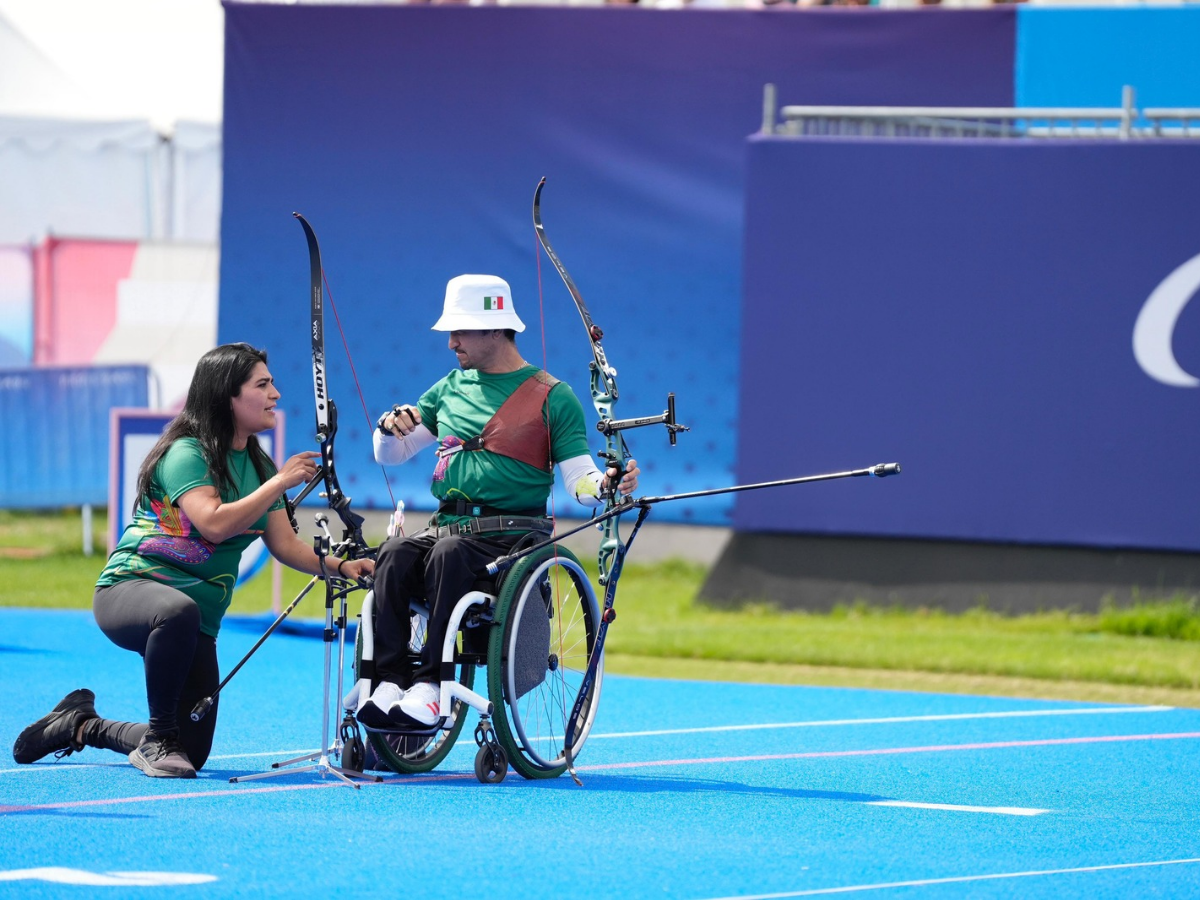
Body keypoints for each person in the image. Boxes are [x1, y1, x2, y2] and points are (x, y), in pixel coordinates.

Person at [11, 343, 374, 778]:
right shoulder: (188, 453)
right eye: (263, 384)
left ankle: (83, 725)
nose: (276, 394)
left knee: (193, 753)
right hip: (129, 591)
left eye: (272, 383)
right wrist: (279, 483)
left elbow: (285, 545)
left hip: (193, 621)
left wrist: (341, 566)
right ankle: (158, 739)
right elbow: (214, 524)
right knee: (177, 618)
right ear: (227, 397)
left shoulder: (258, 465)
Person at [359, 274, 638, 728]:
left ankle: (432, 688)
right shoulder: (449, 388)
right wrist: (389, 428)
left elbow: (580, 479)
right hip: (446, 530)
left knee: (449, 553)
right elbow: (390, 456)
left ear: (495, 330)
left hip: (508, 541)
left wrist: (607, 485)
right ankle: (389, 683)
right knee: (392, 552)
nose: (450, 343)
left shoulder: (553, 396)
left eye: (460, 331)